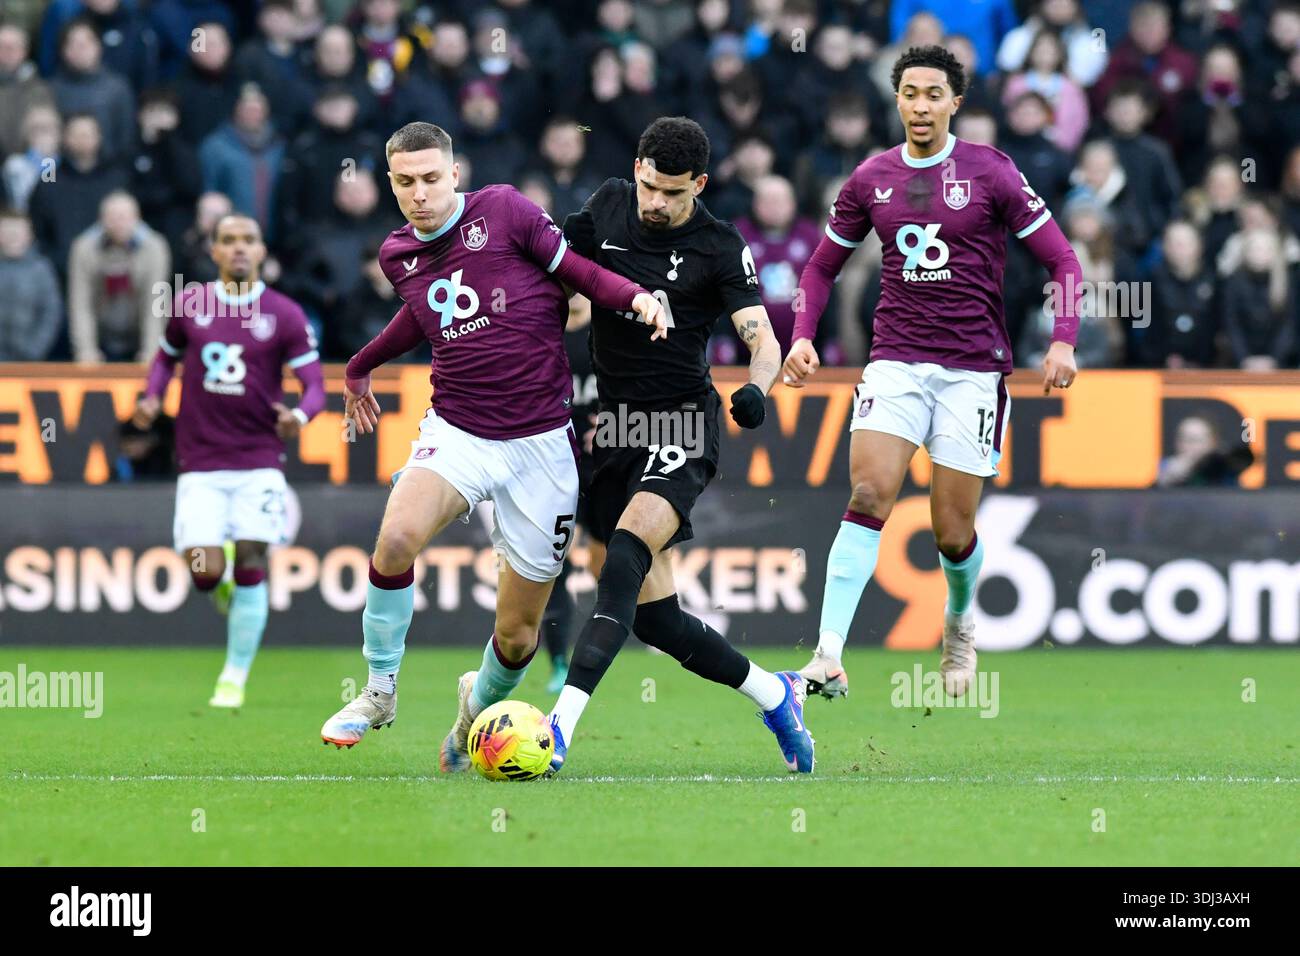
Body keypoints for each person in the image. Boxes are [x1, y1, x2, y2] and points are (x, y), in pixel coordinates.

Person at [317, 122, 665, 762]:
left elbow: (579, 271)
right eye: (404, 182)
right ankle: (379, 689)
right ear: (390, 184)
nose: (419, 193)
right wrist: (360, 365)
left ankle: (470, 716)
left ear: (455, 174)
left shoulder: (505, 210)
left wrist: (636, 296)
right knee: (395, 538)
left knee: (517, 635)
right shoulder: (397, 254)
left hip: (541, 446)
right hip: (458, 429)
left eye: (430, 178)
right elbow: (422, 314)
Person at [783, 45, 1083, 701]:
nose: (920, 105)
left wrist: (1063, 342)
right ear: (898, 100)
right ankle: (828, 655)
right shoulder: (870, 178)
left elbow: (1064, 261)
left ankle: (959, 618)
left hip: (972, 371)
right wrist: (802, 336)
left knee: (952, 533)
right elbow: (819, 268)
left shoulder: (992, 172)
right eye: (909, 93)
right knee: (868, 495)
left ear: (954, 103)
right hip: (894, 361)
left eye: (933, 94)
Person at [547, 116, 815, 776]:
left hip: (680, 426)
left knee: (621, 560)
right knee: (657, 621)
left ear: (698, 184)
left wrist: (758, 388)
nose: (656, 202)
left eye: (672, 192)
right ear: (636, 167)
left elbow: (762, 339)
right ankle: (774, 694)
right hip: (612, 431)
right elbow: (550, 259)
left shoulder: (720, 246)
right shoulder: (607, 203)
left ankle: (559, 728)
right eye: (649, 186)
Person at [132, 213, 326, 708]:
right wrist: (153, 396)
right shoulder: (190, 304)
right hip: (200, 461)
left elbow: (316, 387)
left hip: (259, 458)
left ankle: (233, 678)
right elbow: (165, 359)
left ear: (262, 251)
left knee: (253, 559)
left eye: (248, 240)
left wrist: (299, 419)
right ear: (214, 251)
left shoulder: (283, 314)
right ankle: (218, 586)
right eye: (228, 241)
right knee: (202, 571)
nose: (239, 249)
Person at [67, 189, 171, 362]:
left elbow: (155, 304)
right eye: (112, 217)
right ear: (101, 219)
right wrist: (85, 350)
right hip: (101, 335)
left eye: (124, 217)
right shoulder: (83, 248)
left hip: (138, 334)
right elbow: (80, 303)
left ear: (137, 218)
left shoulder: (155, 247)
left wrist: (151, 350)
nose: (118, 223)